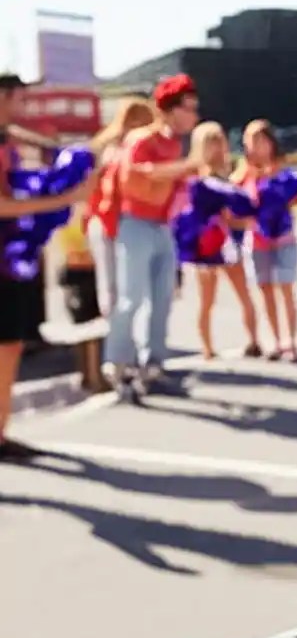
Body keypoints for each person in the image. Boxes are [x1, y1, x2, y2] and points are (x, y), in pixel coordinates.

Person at [0, 72, 95, 457]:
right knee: (6, 347)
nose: (25, 108)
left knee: (9, 347)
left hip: (10, 261)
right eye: (20, 100)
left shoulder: (9, 138)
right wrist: (65, 199)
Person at [105, 74, 201, 399]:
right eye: (189, 108)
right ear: (171, 109)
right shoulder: (141, 139)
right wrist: (182, 168)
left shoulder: (173, 145)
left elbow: (163, 183)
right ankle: (117, 364)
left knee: (162, 299)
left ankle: (153, 364)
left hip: (162, 228)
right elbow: (136, 177)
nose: (194, 115)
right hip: (135, 225)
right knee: (131, 298)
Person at [177, 121, 262, 360]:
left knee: (243, 293)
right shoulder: (195, 180)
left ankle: (254, 341)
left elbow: (242, 213)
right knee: (207, 299)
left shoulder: (230, 177)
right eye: (210, 144)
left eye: (218, 143)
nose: (215, 149)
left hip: (230, 243)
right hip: (206, 245)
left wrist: (234, 218)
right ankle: (207, 348)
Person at [234, 119, 297, 361]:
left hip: (283, 238)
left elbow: (293, 199)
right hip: (258, 240)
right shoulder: (244, 174)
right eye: (250, 142)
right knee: (266, 292)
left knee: (286, 289)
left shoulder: (283, 172)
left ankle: (291, 342)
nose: (255, 147)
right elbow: (233, 203)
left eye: (260, 141)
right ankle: (276, 340)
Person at [83, 96, 155, 318]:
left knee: (113, 285)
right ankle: (120, 340)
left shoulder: (102, 146)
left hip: (104, 219)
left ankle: (118, 338)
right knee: (122, 287)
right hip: (115, 220)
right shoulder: (118, 150)